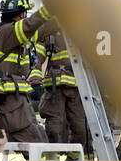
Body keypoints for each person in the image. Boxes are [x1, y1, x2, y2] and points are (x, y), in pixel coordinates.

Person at [0, 0, 51, 144]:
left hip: (10, 93)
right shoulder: (8, 31)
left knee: (1, 138)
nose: (25, 17)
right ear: (19, 15)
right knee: (33, 136)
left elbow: (42, 29)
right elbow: (29, 25)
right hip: (9, 93)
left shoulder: (8, 33)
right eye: (23, 13)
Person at [29, 22, 89, 151]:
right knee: (53, 128)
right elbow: (35, 59)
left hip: (77, 87)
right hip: (54, 87)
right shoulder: (48, 27)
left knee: (80, 129)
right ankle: (51, 159)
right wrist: (35, 80)